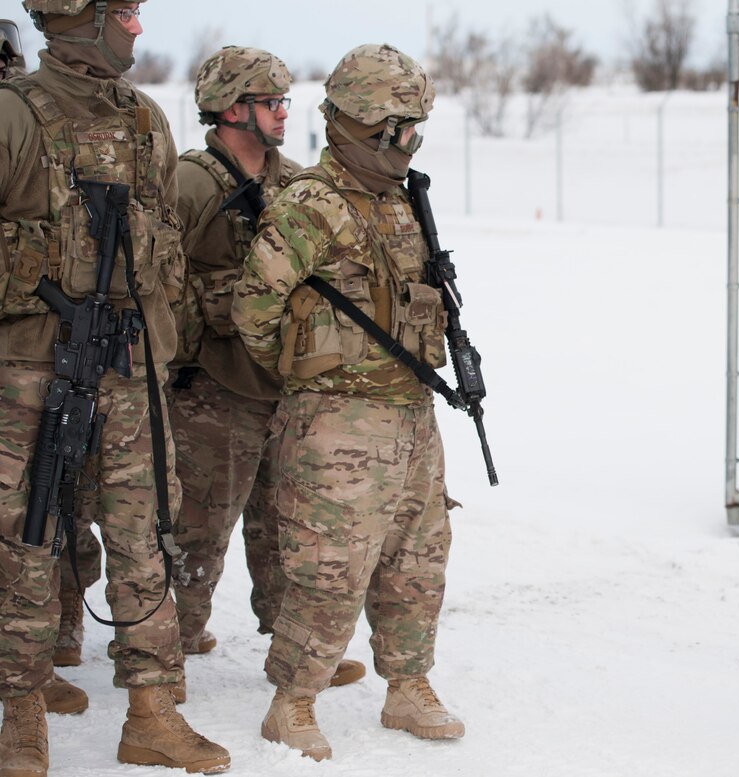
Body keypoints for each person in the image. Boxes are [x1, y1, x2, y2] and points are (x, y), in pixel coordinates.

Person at [0, 2, 229, 773]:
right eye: (125, 13)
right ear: (81, 20)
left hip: (131, 369)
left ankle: (153, 713)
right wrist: (41, 268)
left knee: (148, 535)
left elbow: (164, 253)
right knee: (26, 541)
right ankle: (23, 714)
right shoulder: (13, 115)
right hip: (33, 369)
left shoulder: (145, 121)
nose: (137, 28)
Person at [232, 43, 464, 761]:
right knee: (327, 567)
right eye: (400, 129)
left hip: (411, 413)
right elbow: (253, 312)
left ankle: (409, 683)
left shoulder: (402, 202)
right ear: (366, 127)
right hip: (336, 421)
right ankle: (293, 700)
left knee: (417, 556)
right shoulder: (310, 204)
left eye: (414, 129)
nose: (409, 143)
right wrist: (317, 380)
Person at [166, 44, 364, 688]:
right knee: (199, 523)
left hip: (283, 387)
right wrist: (220, 299)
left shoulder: (295, 179)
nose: (283, 112)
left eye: (284, 100)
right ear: (230, 109)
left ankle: (293, 648)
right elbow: (153, 278)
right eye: (269, 102)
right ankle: (169, 644)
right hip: (213, 389)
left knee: (285, 527)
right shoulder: (192, 181)